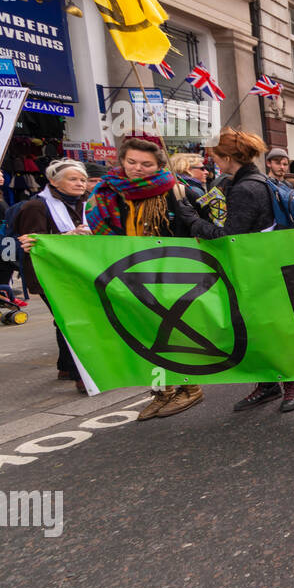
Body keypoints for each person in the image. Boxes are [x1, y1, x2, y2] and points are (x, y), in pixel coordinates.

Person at [172, 128, 294, 414]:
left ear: (229, 156)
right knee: (253, 330)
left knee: (270, 330)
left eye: (216, 157)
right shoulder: (240, 182)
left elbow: (229, 236)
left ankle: (292, 383)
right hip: (254, 268)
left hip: (257, 270)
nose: (213, 163)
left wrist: (192, 220)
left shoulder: (248, 188)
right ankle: (268, 384)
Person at [83, 136, 206, 417]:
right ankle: (163, 391)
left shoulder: (178, 192)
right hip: (127, 274)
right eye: (132, 162)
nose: (137, 168)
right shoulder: (106, 194)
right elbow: (102, 236)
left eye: (146, 164)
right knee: (144, 333)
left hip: (171, 274)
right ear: (122, 161)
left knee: (172, 334)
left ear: (159, 165)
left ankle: (191, 388)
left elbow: (206, 228)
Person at [11, 159, 93, 393]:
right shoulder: (36, 206)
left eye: (83, 179)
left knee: (64, 318)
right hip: (49, 275)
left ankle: (65, 367)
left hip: (76, 271)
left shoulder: (84, 204)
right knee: (73, 319)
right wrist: (70, 235)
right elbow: (33, 242)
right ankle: (81, 376)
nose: (80, 183)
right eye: (73, 179)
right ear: (53, 182)